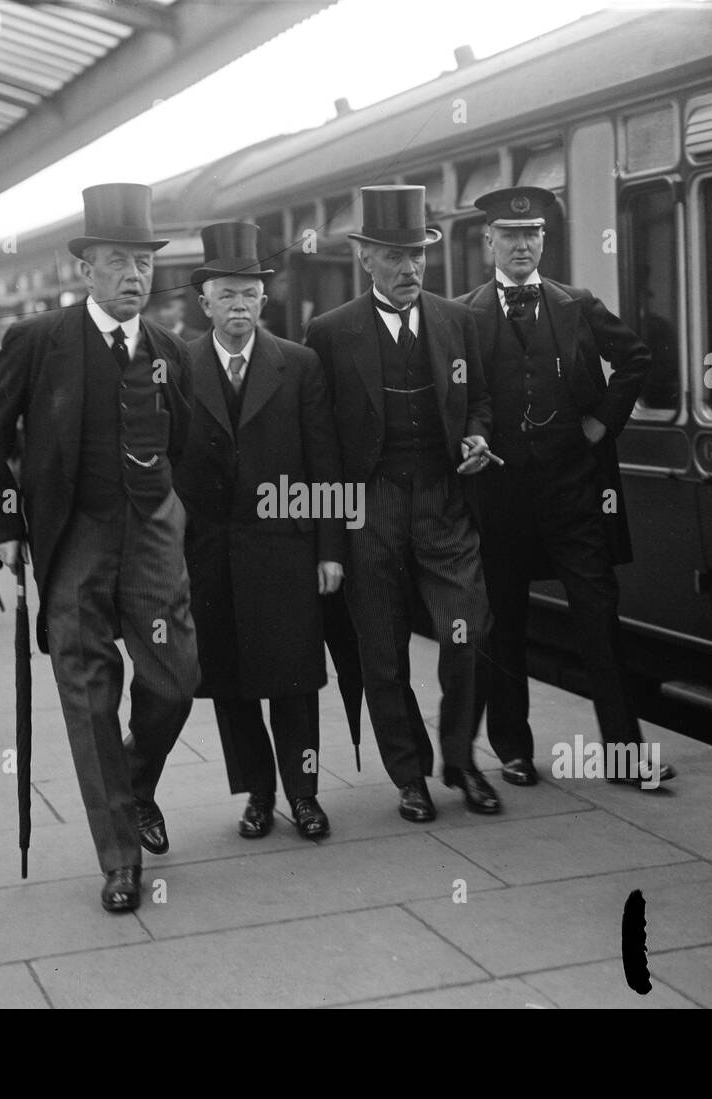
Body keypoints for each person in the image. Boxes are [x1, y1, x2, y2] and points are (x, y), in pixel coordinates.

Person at [0, 183, 199, 915]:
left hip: (153, 535)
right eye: (119, 262)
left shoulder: (167, 350)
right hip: (74, 541)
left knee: (176, 678)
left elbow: (187, 444)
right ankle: (120, 858)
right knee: (88, 694)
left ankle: (129, 783)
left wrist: (176, 514)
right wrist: (3, 527)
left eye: (144, 264)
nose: (135, 276)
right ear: (86, 270)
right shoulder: (40, 342)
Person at [459, 186, 676, 789]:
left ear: (543, 242)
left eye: (532, 236)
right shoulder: (464, 315)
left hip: (574, 497)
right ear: (489, 242)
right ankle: (514, 752)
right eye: (510, 235)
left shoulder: (577, 304)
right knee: (503, 626)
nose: (522, 244)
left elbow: (634, 358)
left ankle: (625, 754)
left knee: (598, 618)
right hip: (500, 503)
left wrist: (600, 423)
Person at [304, 185, 500, 823]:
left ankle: (461, 760)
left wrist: (478, 435)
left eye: (416, 254)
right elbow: (322, 441)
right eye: (393, 256)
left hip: (444, 500)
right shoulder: (330, 334)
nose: (409, 268)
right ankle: (409, 775)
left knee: (466, 631)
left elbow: (479, 401)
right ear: (364, 258)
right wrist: (331, 536)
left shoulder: (457, 320)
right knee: (381, 652)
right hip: (372, 506)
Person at [174, 222, 345, 840]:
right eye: (226, 295)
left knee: (295, 681)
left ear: (263, 300)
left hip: (286, 551)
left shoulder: (298, 365)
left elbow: (325, 463)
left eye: (248, 294)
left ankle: (304, 795)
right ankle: (256, 794)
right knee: (231, 683)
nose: (239, 305)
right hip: (210, 555)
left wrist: (331, 550)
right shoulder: (179, 365)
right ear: (205, 304)